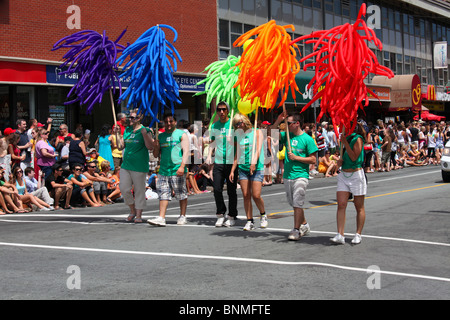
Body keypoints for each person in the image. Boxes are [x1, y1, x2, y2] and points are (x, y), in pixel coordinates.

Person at [271, 112, 318, 241]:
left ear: (297, 124)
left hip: (301, 175)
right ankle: (304, 224)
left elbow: (313, 160)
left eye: (289, 123)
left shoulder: (308, 139)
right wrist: (278, 120)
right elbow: (271, 134)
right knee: (294, 203)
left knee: (298, 202)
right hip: (288, 175)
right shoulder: (287, 135)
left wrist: (297, 158)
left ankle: (296, 229)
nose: (286, 125)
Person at [148, 113, 190, 227]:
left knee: (181, 194)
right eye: (166, 122)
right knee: (163, 194)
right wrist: (156, 146)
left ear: (175, 122)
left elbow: (186, 152)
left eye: (171, 121)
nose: (169, 124)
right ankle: (161, 217)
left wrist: (182, 166)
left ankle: (182, 216)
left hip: (177, 169)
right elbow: (156, 155)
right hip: (163, 170)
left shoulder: (181, 134)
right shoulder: (160, 136)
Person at [330, 122, 367, 245]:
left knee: (358, 206)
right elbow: (345, 157)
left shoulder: (358, 138)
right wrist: (340, 162)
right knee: (341, 204)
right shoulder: (345, 139)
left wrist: (345, 142)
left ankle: (358, 234)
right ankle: (340, 234)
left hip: (356, 175)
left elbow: (354, 157)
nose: (342, 129)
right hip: (343, 175)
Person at [230, 113, 267, 231]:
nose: (238, 126)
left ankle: (263, 214)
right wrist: (232, 170)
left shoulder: (257, 132)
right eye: (235, 125)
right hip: (243, 168)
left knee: (256, 195)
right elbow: (237, 154)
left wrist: (253, 163)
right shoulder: (239, 136)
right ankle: (249, 220)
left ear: (245, 121)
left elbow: (258, 149)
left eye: (239, 123)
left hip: (257, 167)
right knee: (246, 195)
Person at [116, 109, 154, 223]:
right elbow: (120, 147)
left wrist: (144, 134)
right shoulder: (127, 130)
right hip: (126, 164)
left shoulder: (146, 130)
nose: (130, 119)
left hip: (139, 165)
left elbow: (150, 147)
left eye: (133, 118)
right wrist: (117, 133)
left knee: (139, 191)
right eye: (130, 117)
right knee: (124, 188)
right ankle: (132, 210)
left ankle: (138, 215)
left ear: (140, 118)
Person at [206, 101, 238, 227]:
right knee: (217, 189)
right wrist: (209, 155)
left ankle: (232, 215)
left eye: (224, 109)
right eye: (219, 110)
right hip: (219, 161)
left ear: (228, 111)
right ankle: (220, 213)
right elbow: (212, 142)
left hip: (231, 162)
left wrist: (233, 141)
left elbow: (240, 144)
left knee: (231, 191)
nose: (221, 112)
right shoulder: (215, 126)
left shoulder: (233, 124)